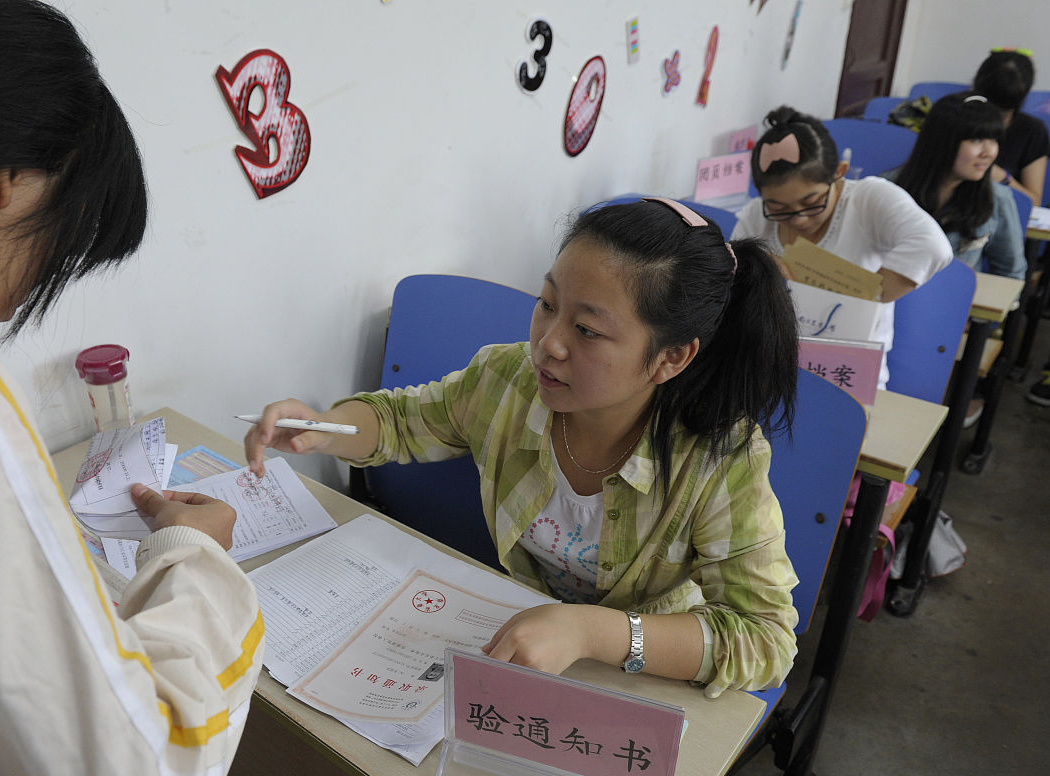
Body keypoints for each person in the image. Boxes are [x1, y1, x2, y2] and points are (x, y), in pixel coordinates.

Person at [0, 2, 262, 776]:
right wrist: (195, 559)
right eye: (61, 248)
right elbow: (132, 772)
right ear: (10, 178)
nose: (30, 296)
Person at [245, 198, 802, 699]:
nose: (548, 343)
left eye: (586, 330)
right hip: (511, 642)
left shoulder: (717, 458)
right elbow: (401, 420)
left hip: (634, 667)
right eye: (546, 303)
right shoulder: (508, 382)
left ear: (670, 358)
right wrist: (327, 424)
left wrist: (589, 631)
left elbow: (767, 640)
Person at [733, 105, 953, 389]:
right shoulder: (755, 216)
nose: (798, 219)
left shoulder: (868, 200)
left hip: (847, 374)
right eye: (779, 208)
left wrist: (863, 297)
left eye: (812, 203)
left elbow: (933, 246)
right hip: (769, 369)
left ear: (840, 173)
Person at [891, 92, 1026, 281]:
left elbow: (1011, 275)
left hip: (956, 306)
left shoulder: (997, 200)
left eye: (994, 140)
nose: (989, 152)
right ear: (943, 142)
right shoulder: (890, 189)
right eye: (977, 140)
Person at [973, 48, 1047, 206]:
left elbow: (1032, 202)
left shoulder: (1032, 130)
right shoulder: (954, 119)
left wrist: (1000, 176)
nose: (987, 151)